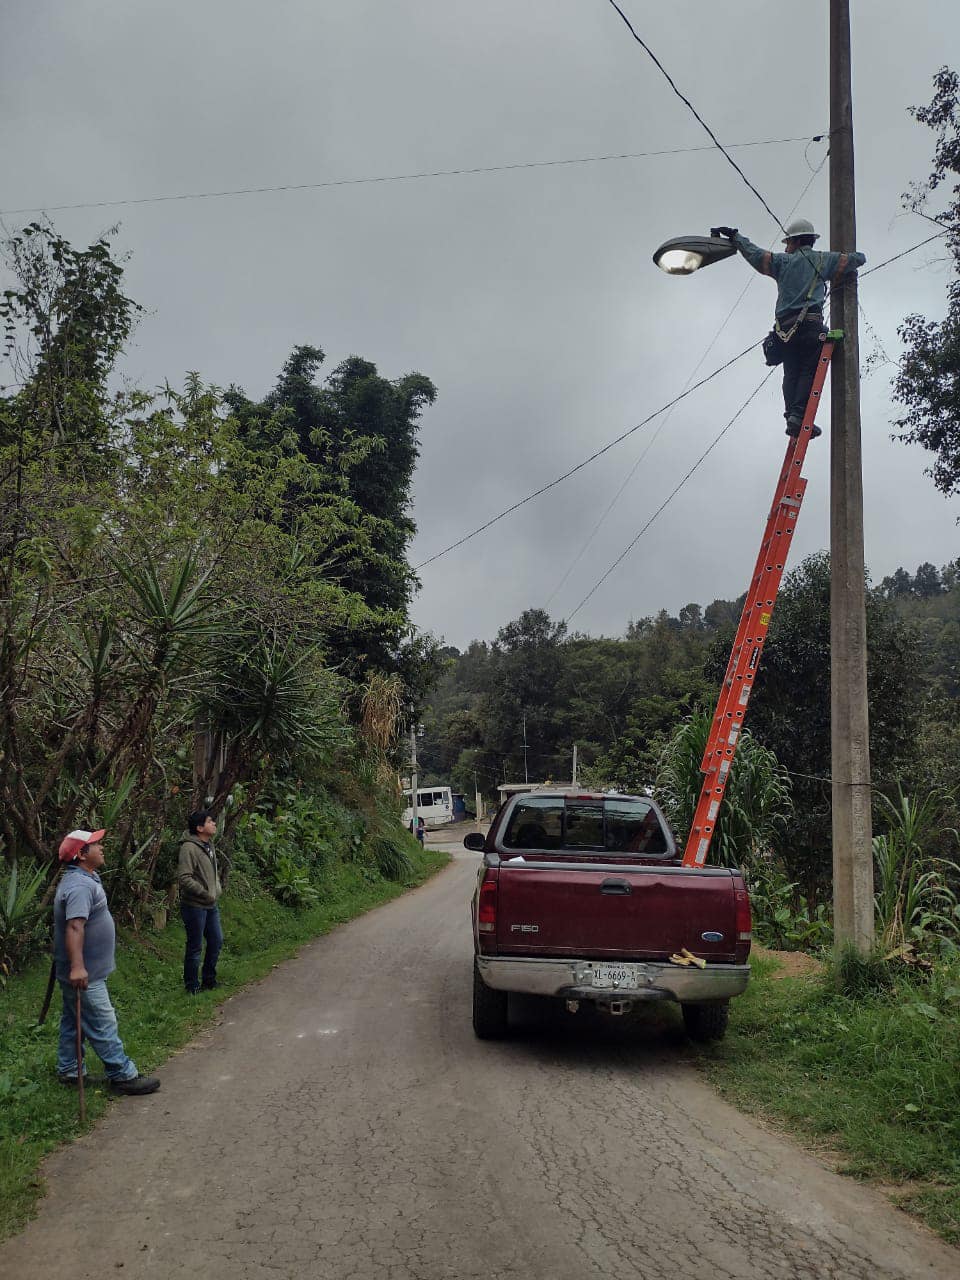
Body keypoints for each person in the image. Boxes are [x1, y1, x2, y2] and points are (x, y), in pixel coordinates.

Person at [714, 220, 866, 437]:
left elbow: (755, 254)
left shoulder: (781, 262)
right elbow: (858, 259)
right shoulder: (823, 260)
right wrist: (844, 262)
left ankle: (792, 417)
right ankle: (798, 415)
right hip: (809, 326)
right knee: (807, 370)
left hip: (784, 331)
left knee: (791, 372)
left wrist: (736, 237)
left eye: (787, 243)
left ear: (795, 241)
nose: (786, 248)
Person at [53, 828, 161, 1095]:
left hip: (86, 971)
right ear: (81, 854)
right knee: (103, 1021)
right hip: (85, 974)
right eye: (95, 845)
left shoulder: (86, 878)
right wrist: (77, 967)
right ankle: (122, 1075)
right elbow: (75, 927)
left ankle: (70, 1070)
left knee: (74, 1021)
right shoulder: (79, 886)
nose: (101, 848)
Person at [177, 810, 223, 994]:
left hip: (211, 904)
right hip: (195, 906)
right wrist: (204, 893)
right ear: (199, 828)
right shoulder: (189, 848)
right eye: (210, 821)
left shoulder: (209, 845)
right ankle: (192, 986)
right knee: (195, 946)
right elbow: (184, 878)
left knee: (216, 941)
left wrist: (216, 890)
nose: (214, 824)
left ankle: (209, 979)